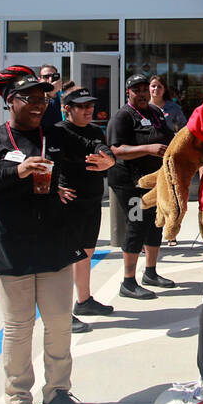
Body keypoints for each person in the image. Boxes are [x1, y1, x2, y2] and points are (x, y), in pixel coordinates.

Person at [0, 66, 112, 404]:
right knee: (19, 327)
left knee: (58, 323)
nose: (41, 105)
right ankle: (17, 400)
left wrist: (107, 157)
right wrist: (16, 172)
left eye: (45, 99)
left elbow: (92, 141)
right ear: (10, 101)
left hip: (55, 243)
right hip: (10, 246)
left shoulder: (56, 135)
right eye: (33, 99)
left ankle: (57, 392)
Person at [107, 73, 176, 299]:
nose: (143, 94)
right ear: (129, 92)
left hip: (154, 180)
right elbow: (115, 150)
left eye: (145, 89)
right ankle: (128, 282)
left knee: (155, 224)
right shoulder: (122, 117)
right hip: (129, 181)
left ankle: (151, 272)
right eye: (137, 90)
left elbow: (167, 137)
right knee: (136, 225)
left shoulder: (155, 112)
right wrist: (147, 149)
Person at [55, 88, 119, 322]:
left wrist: (109, 158)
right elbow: (48, 162)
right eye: (81, 106)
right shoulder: (59, 131)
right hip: (69, 200)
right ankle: (62, 314)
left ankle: (84, 301)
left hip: (92, 200)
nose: (88, 110)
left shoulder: (94, 129)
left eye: (90, 105)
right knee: (66, 257)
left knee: (86, 253)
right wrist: (55, 189)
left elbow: (98, 145)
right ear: (67, 109)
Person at [38, 65, 64, 129]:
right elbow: (38, 111)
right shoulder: (35, 95)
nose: (50, 79)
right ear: (39, 79)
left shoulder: (63, 95)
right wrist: (49, 94)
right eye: (46, 77)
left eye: (53, 76)